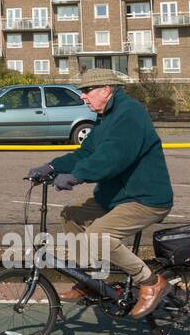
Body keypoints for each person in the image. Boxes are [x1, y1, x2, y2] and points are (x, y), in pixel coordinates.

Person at [28, 68, 174, 318]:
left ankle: (150, 282)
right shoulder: (106, 117)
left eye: (86, 91)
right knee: (72, 214)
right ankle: (91, 282)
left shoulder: (130, 114)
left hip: (145, 199)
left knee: (98, 236)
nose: (82, 96)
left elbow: (112, 157)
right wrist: (53, 167)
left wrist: (77, 175)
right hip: (117, 197)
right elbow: (87, 152)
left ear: (106, 90)